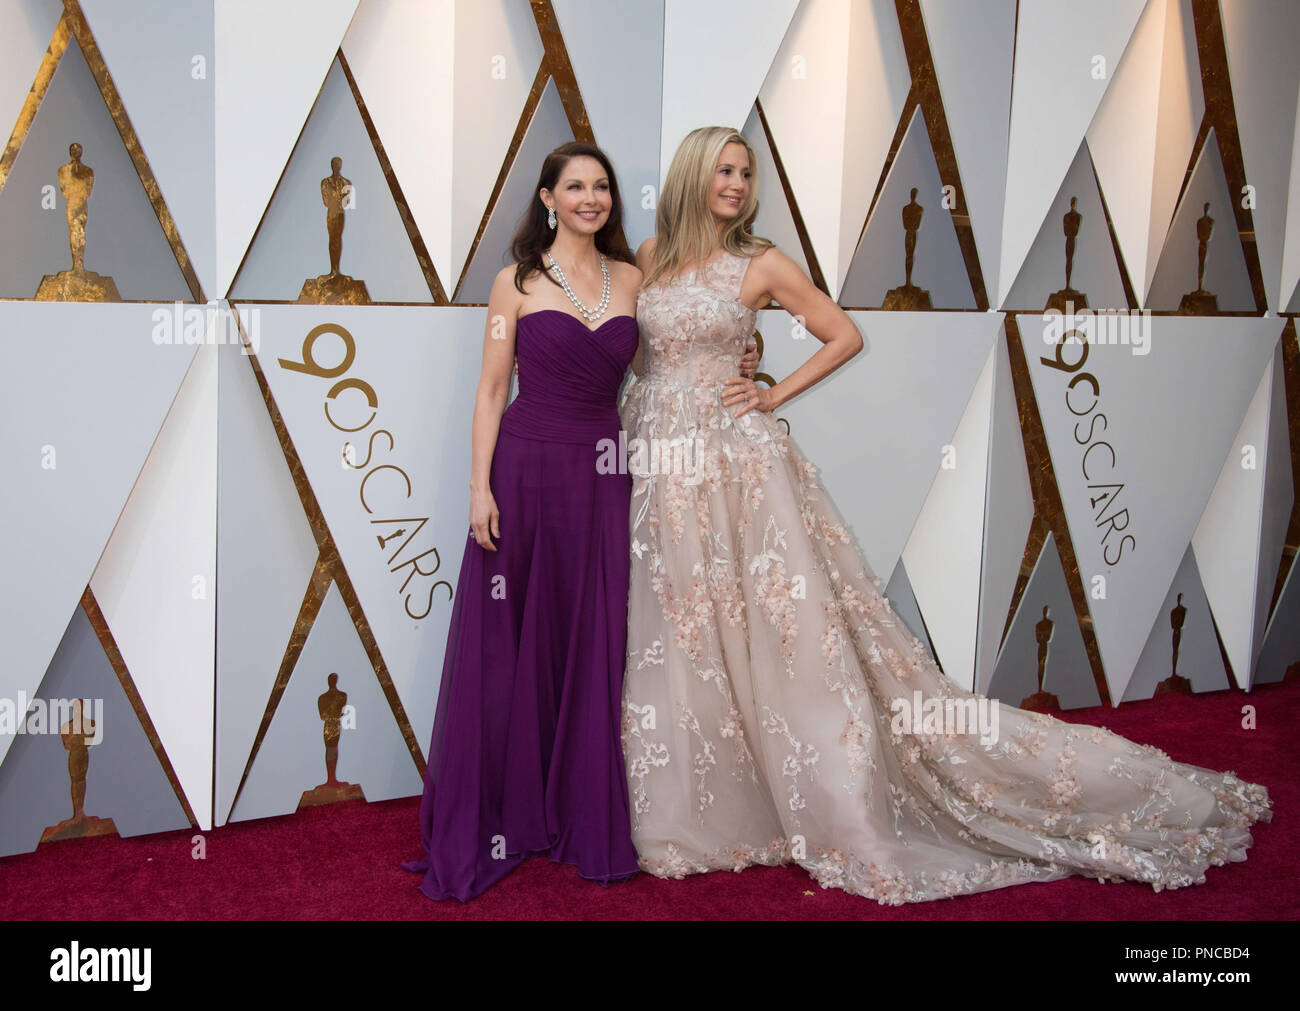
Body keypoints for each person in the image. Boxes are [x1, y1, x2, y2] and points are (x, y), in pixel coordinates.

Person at [619, 126, 1272, 904]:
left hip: (735, 463)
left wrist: (767, 390)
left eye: (746, 172)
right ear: (694, 174)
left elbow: (844, 333)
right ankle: (704, 810)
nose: (735, 183)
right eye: (724, 170)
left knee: (775, 630)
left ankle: (828, 798)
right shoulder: (651, 255)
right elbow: (637, 354)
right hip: (658, 462)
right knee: (683, 624)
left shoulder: (759, 263)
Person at [402, 141, 643, 901]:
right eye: (575, 186)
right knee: (516, 643)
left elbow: (678, 359)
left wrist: (744, 366)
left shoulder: (636, 278)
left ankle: (574, 811)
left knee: (591, 638)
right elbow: (490, 388)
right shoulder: (515, 282)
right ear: (547, 196)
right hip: (527, 470)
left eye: (601, 186)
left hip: (603, 474)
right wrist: (479, 487)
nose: (590, 198)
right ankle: (511, 813)